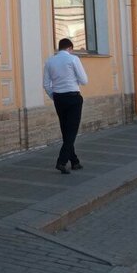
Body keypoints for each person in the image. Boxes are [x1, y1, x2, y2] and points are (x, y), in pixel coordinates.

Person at [43, 37, 88, 174]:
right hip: (73, 98)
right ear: (70, 48)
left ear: (59, 48)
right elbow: (84, 80)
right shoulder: (73, 59)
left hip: (58, 98)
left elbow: (46, 84)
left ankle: (74, 162)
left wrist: (54, 96)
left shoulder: (50, 61)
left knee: (66, 130)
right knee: (72, 131)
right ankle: (61, 161)